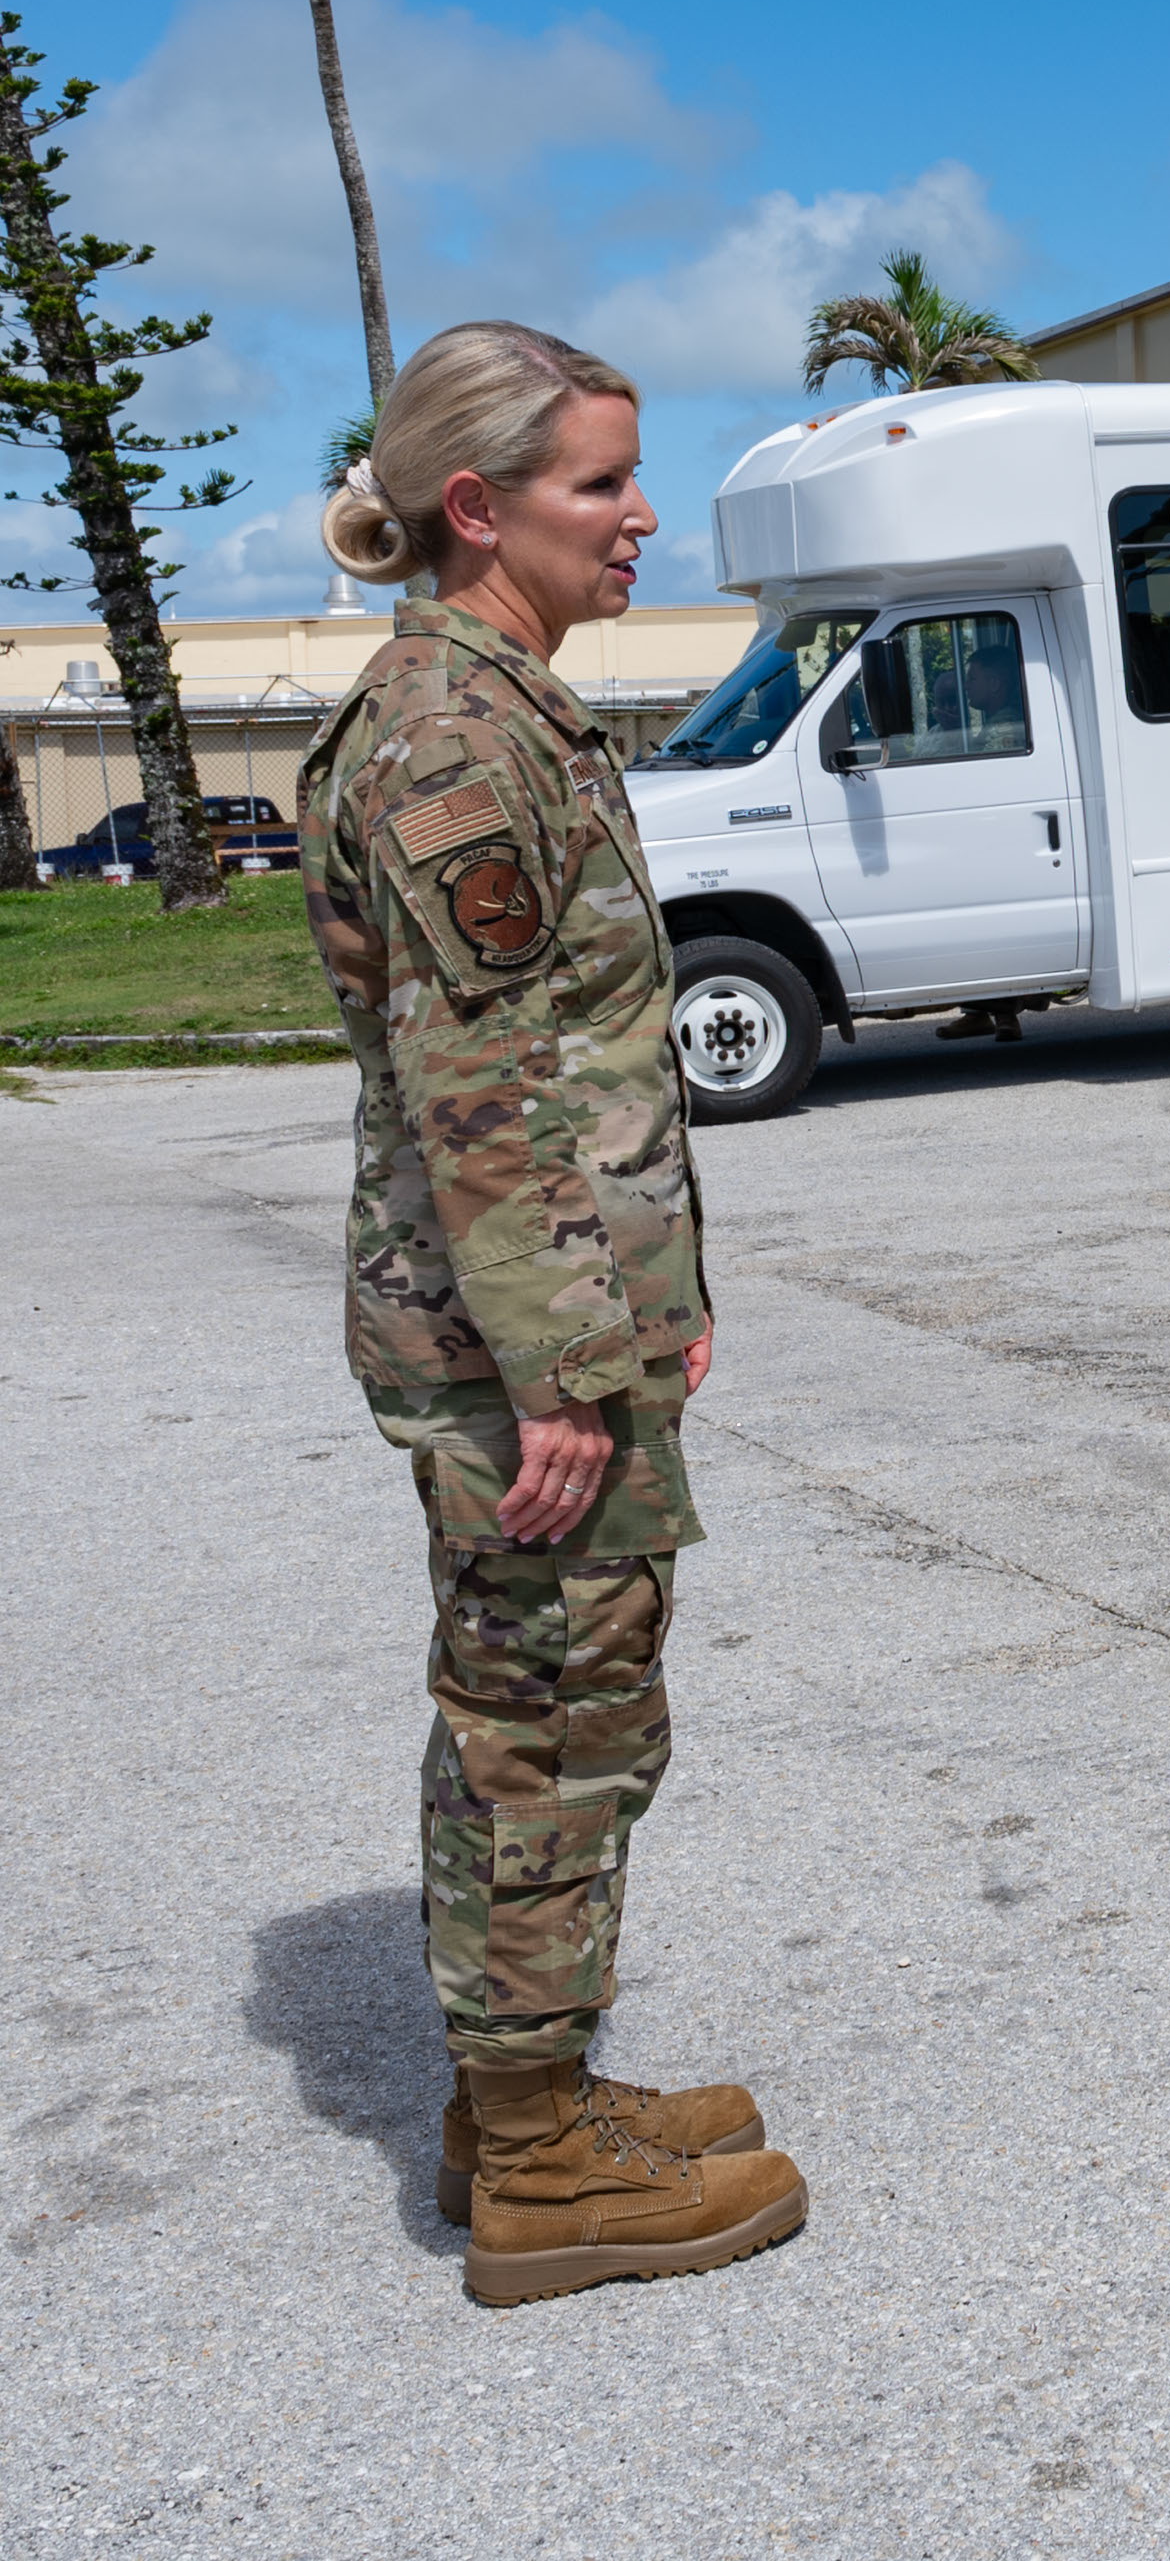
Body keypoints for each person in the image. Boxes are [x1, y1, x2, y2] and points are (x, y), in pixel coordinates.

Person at [301, 322, 809, 2306]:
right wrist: (569, 1375)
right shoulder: (455, 741)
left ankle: (521, 2096)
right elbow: (486, 1097)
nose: (640, 512)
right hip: (513, 1351)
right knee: (556, 1724)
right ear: (478, 507)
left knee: (549, 1706)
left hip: (543, 1326)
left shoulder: (503, 708)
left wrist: (640, 1312)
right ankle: (535, 2163)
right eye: (601, 481)